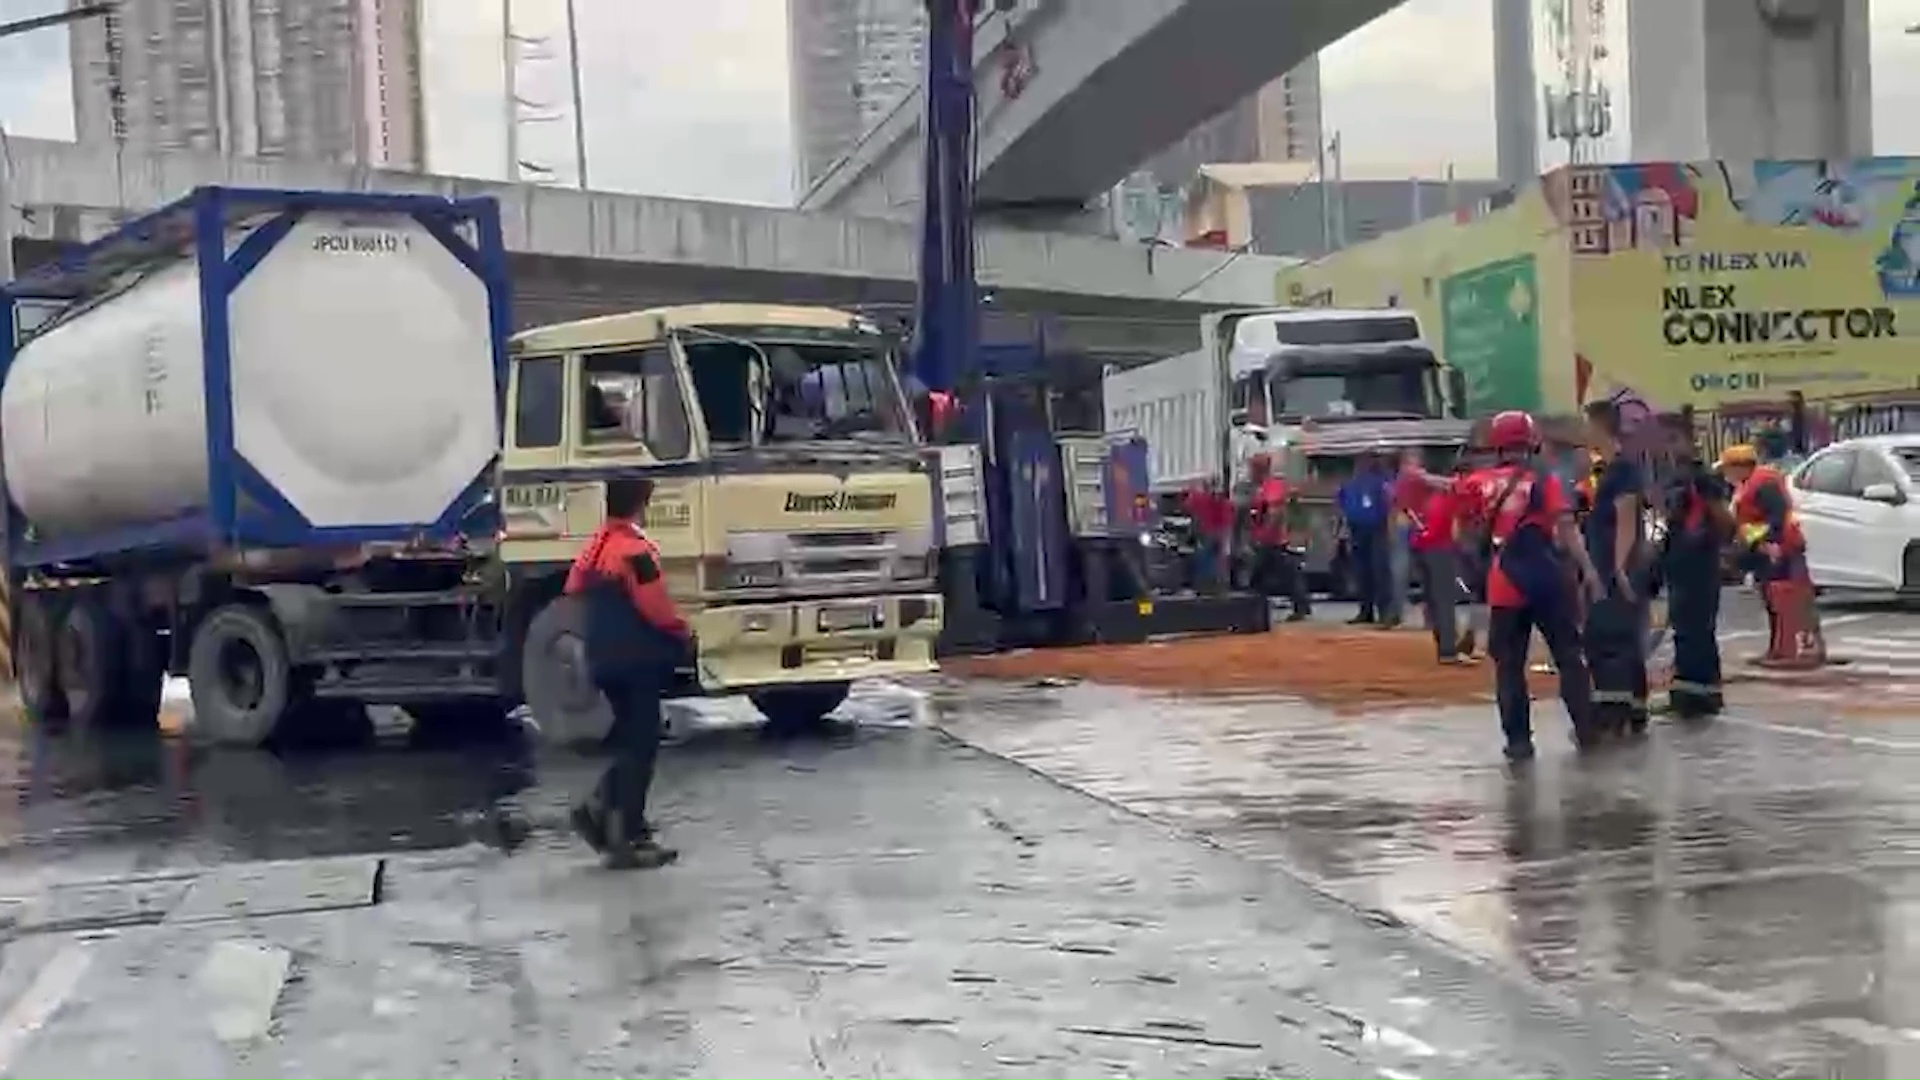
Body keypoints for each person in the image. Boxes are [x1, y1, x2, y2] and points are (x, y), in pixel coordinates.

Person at [1462, 410, 1605, 762]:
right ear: (1532, 442)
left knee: (1509, 667)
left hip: (1504, 583)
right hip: (1549, 580)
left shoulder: (1476, 483)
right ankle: (1586, 730)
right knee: (1570, 658)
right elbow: (1567, 529)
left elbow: (1464, 532)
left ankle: (1518, 742)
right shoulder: (1547, 480)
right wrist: (1589, 570)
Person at [564, 477, 691, 871]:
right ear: (640, 506)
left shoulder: (594, 549)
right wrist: (680, 630)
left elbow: (572, 592)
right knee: (642, 745)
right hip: (636, 659)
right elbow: (654, 605)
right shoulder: (637, 552)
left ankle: (601, 811)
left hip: (602, 658)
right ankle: (629, 835)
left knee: (627, 742)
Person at [1580, 401, 1654, 736]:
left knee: (1608, 636)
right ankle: (1634, 708)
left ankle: (1615, 708)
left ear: (1600, 427)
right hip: (1607, 559)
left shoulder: (1623, 471)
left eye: (1588, 425)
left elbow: (1627, 518)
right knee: (1623, 636)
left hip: (1614, 564)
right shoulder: (1608, 469)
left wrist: (1621, 567)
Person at [1721, 443, 1820, 663]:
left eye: (1727, 469)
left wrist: (1770, 543)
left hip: (1781, 548)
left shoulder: (1763, 484)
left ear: (1739, 467)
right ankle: (1781, 648)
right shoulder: (1748, 484)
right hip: (1767, 549)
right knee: (1776, 600)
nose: (1725, 475)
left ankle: (1792, 650)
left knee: (1787, 599)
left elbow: (1777, 516)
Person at [1660, 449, 1733, 717]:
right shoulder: (1674, 479)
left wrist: (1714, 546)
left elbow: (1724, 520)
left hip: (1699, 565)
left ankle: (1701, 697)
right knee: (1686, 631)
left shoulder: (1702, 481)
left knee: (1697, 632)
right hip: (1682, 564)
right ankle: (1690, 694)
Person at [1408, 464, 1472, 663]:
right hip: (1437, 549)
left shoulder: (1438, 495)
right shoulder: (1446, 494)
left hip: (1426, 547)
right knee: (1442, 600)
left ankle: (1446, 644)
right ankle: (1447, 649)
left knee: (1437, 600)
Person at [1246, 453, 1312, 620]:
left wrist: (1264, 535)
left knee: (1277, 575)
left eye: (1252, 468)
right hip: (1266, 539)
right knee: (1272, 575)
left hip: (1273, 541)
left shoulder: (1272, 487)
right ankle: (1299, 605)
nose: (1250, 472)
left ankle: (1299, 605)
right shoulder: (1259, 488)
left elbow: (1276, 513)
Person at [1337, 454, 1396, 626]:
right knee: (1361, 571)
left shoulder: (1383, 480)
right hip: (1357, 529)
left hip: (1377, 528)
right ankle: (1365, 610)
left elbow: (1390, 502)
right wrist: (1342, 530)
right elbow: (1341, 505)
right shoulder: (1351, 482)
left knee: (1380, 570)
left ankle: (1385, 612)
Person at [1183, 478, 1235, 594]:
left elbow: (1189, 509)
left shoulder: (1198, 497)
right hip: (1215, 531)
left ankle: (1208, 586)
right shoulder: (1222, 501)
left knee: (1208, 559)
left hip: (1210, 532)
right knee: (1216, 559)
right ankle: (1218, 586)